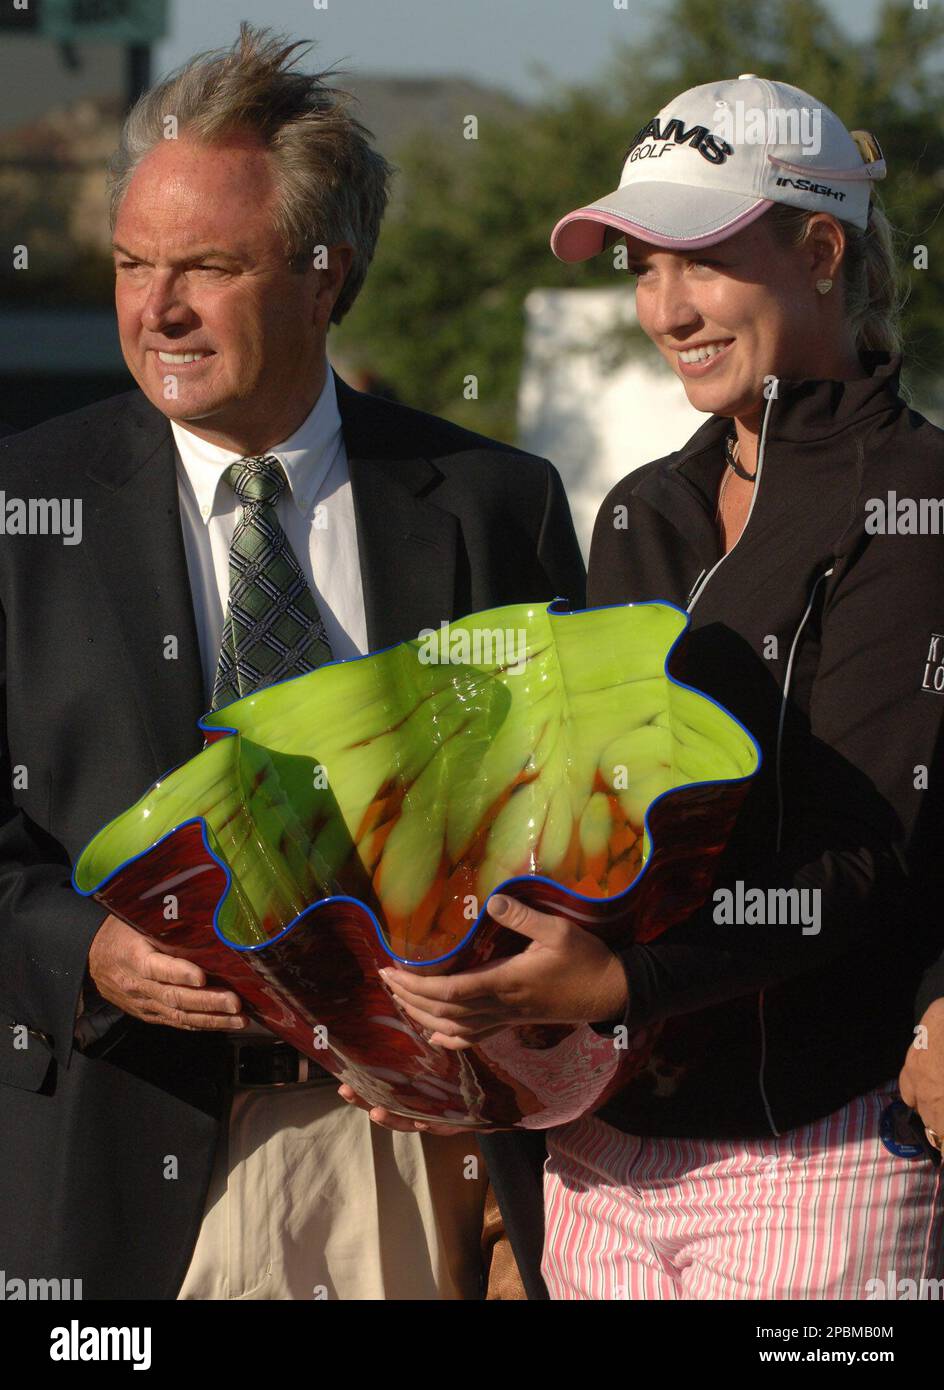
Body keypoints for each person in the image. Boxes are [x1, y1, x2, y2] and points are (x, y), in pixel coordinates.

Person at [0, 25, 584, 1301]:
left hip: (407, 1154)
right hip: (110, 1147)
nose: (155, 310)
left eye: (206, 266)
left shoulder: (496, 503)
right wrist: (83, 947)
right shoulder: (21, 506)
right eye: (132, 264)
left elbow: (563, 824)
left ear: (328, 276)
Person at [342, 75, 944, 1300]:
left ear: (819, 249)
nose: (663, 308)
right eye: (639, 266)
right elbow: (598, 838)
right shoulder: (640, 510)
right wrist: (447, 1027)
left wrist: (618, 983)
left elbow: (863, 863)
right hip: (601, 1160)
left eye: (701, 260)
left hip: (812, 1163)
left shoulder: (913, 502)